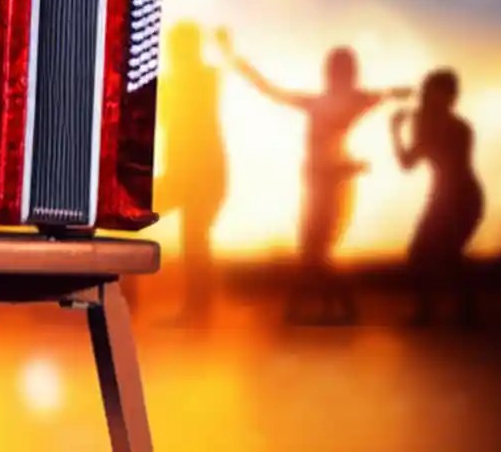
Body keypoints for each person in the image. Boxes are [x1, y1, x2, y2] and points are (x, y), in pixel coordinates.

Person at [219, 31, 409, 325]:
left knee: (314, 249)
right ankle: (326, 309)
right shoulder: (320, 102)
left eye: (340, 69)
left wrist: (399, 94)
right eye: (332, 68)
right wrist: (237, 61)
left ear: (348, 73)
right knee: (312, 249)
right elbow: (273, 92)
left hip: (333, 181)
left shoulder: (354, 100)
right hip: (318, 180)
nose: (334, 74)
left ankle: (326, 309)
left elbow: (384, 95)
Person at [390, 69, 484, 327]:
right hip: (443, 196)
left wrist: (414, 128)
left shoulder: (459, 128)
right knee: (422, 252)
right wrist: (396, 132)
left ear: (450, 96)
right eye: (429, 91)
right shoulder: (429, 124)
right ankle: (432, 311)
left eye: (438, 92)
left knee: (444, 254)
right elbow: (407, 163)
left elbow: (446, 163)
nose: (431, 97)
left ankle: (462, 312)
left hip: (463, 197)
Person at [156, 22, 227, 325]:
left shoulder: (204, 78)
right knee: (193, 237)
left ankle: (198, 310)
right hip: (183, 172)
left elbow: (170, 117)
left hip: (204, 172)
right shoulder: (175, 82)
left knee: (195, 238)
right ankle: (196, 309)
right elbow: (163, 120)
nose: (174, 54)